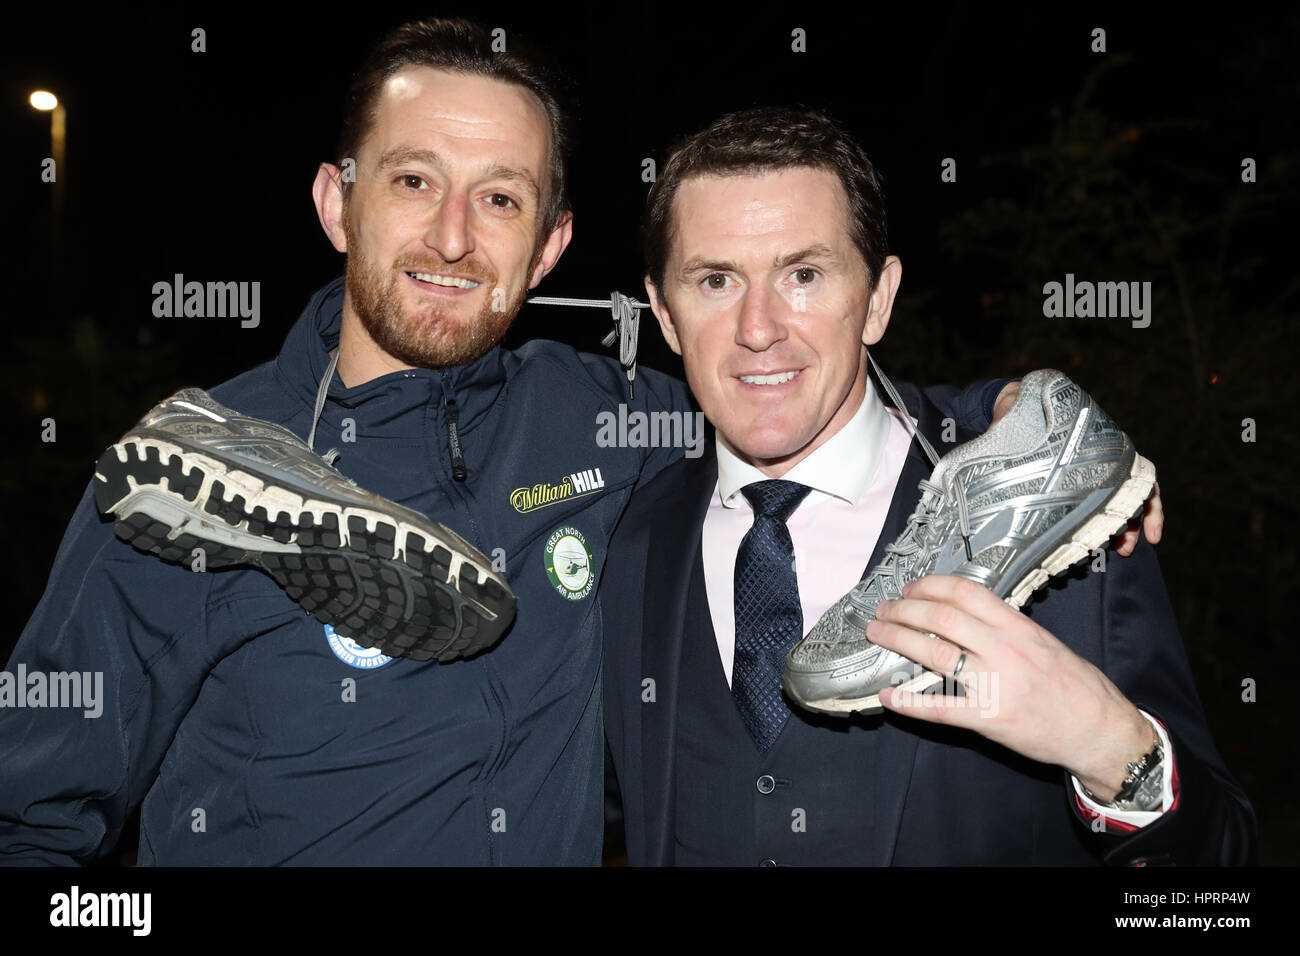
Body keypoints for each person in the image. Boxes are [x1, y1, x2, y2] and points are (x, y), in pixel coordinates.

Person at [0, 19, 1003, 865]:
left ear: (550, 245)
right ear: (335, 201)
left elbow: (787, 387)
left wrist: (1004, 409)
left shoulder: (608, 419)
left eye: (500, 197)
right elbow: (28, 821)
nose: (450, 236)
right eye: (411, 182)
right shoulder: (191, 473)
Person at [600, 107, 1255, 865]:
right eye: (715, 281)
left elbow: (1221, 877)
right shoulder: (630, 540)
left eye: (803, 275)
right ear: (665, 315)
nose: (758, 327)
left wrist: (1110, 747)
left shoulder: (1049, 512)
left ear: (878, 297)